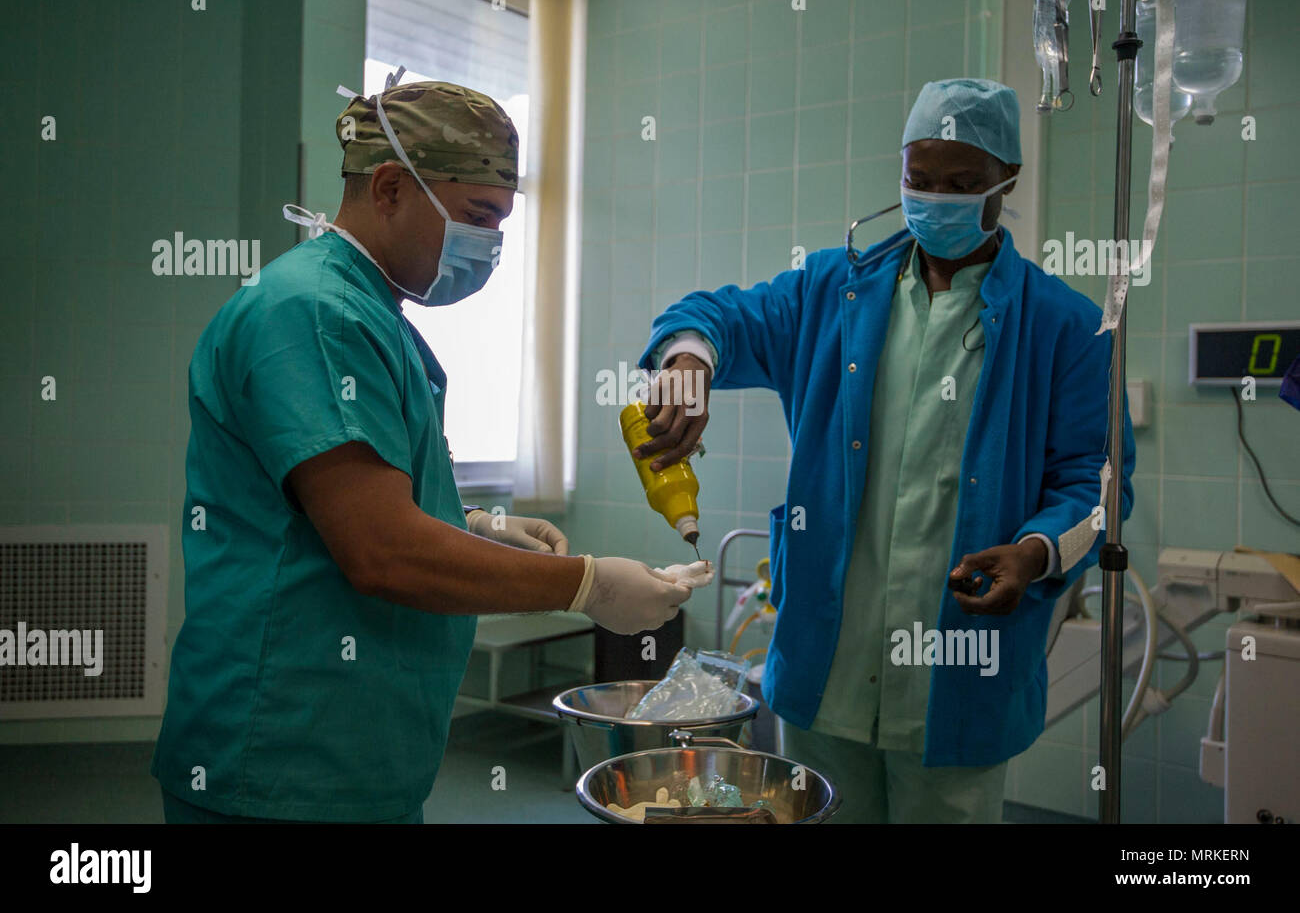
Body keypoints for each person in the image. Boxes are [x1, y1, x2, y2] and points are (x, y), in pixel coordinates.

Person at [151, 76, 691, 824]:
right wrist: (587, 586)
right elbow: (381, 550)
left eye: (501, 225)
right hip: (283, 756)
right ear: (391, 187)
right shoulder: (315, 313)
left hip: (351, 750)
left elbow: (346, 501)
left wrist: (471, 525)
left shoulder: (366, 312)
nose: (491, 247)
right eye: (477, 218)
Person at [634, 78, 1135, 823]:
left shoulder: (1065, 327)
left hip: (961, 668)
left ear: (1007, 182)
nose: (935, 199)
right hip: (823, 662)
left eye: (962, 184)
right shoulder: (831, 292)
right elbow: (715, 316)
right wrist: (689, 362)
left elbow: (1096, 490)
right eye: (918, 180)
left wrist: (1034, 552)